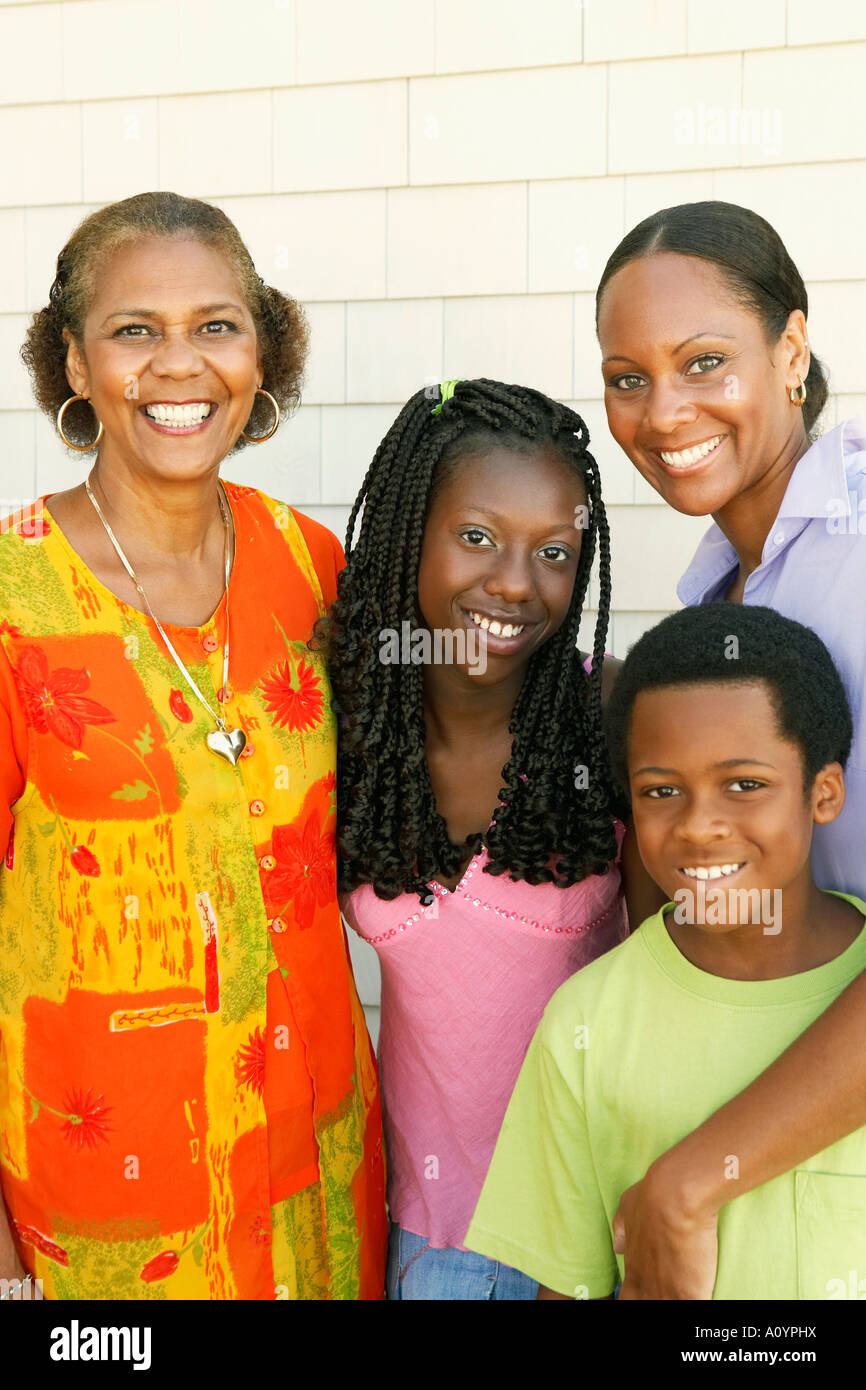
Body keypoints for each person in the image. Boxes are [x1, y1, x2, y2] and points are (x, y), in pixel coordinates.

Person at [0, 191, 385, 1300]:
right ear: (75, 363)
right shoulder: (17, 596)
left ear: (262, 350)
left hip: (314, 1170)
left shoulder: (311, 567)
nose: (181, 365)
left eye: (216, 325)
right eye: (135, 331)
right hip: (105, 1209)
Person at [590, 199, 866, 1299]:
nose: (661, 412)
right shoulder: (716, 586)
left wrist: (690, 1182)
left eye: (704, 361)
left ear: (788, 351)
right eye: (624, 376)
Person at [329, 379, 648, 1300]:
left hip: (595, 1229)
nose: (515, 582)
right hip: (427, 1239)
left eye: (554, 551)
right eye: (476, 536)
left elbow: (681, 981)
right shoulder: (344, 727)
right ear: (407, 534)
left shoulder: (613, 714)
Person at [467, 603, 866, 1300]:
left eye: (744, 785)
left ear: (823, 792)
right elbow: (566, 1286)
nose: (700, 827)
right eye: (661, 791)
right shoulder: (588, 1023)